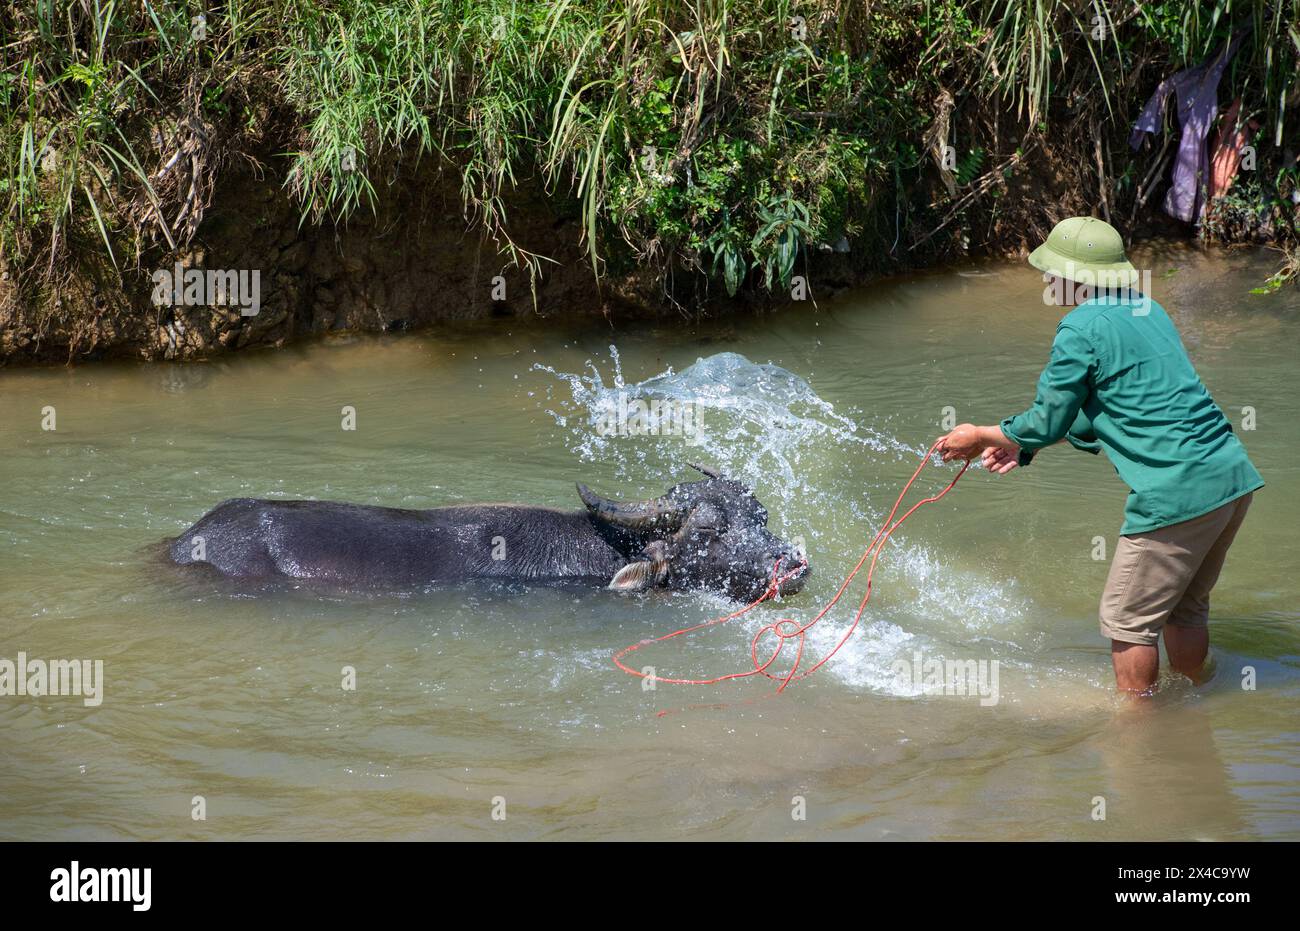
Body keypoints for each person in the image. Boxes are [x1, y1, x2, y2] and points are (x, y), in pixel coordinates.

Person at [936, 216, 1263, 697]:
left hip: (1175, 491)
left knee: (1128, 622)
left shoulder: (1079, 327)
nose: (1047, 280)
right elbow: (1112, 411)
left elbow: (1048, 420)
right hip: (1230, 478)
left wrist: (982, 434)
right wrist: (1018, 445)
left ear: (1076, 276)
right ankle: (1199, 704)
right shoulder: (1147, 309)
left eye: (1053, 270)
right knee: (1185, 608)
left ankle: (1138, 733)